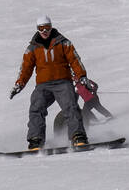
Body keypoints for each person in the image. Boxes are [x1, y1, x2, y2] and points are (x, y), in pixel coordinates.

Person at [9, 16, 89, 149]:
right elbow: (26, 68)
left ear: (51, 27)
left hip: (62, 82)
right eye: (41, 28)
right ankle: (36, 139)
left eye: (47, 27)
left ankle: (78, 136)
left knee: (70, 106)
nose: (45, 31)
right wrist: (19, 84)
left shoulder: (64, 43)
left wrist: (81, 76)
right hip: (43, 85)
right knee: (36, 107)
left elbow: (75, 60)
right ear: (37, 29)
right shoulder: (33, 48)